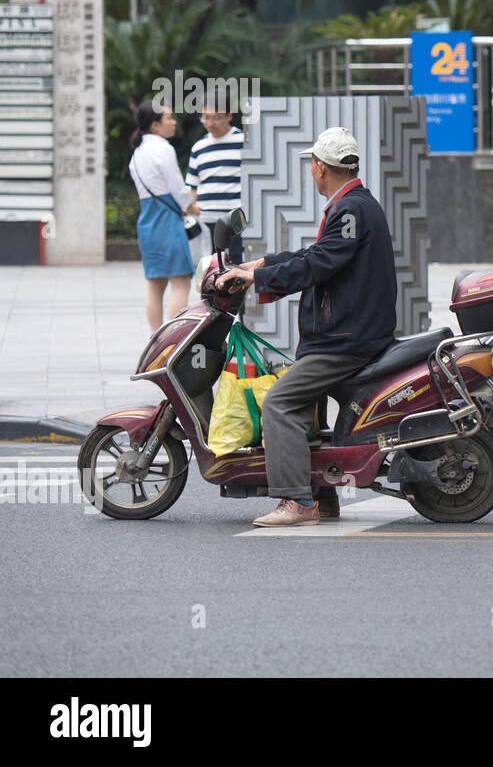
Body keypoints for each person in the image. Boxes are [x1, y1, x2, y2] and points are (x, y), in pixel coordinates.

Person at [216, 127, 397, 528]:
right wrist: (263, 265)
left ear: (320, 167)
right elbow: (319, 254)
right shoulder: (352, 205)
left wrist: (256, 278)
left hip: (345, 341)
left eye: (311, 163)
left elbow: (319, 263)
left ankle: (298, 502)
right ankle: (323, 497)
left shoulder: (350, 210)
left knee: (280, 403)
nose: (311, 170)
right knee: (305, 407)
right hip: (344, 334)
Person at [127, 98, 199, 331]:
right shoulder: (163, 149)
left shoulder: (137, 153)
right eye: (169, 117)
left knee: (155, 285)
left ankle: (156, 339)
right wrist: (191, 207)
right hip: (167, 222)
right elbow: (177, 187)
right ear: (156, 125)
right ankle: (172, 339)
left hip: (147, 222)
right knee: (181, 283)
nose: (173, 122)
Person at [186, 106, 244, 263]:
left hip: (235, 220)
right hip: (206, 221)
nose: (210, 123)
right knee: (210, 268)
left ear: (229, 115)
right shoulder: (198, 147)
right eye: (206, 117)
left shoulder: (244, 141)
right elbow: (192, 186)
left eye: (216, 117)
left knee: (237, 267)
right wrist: (191, 211)